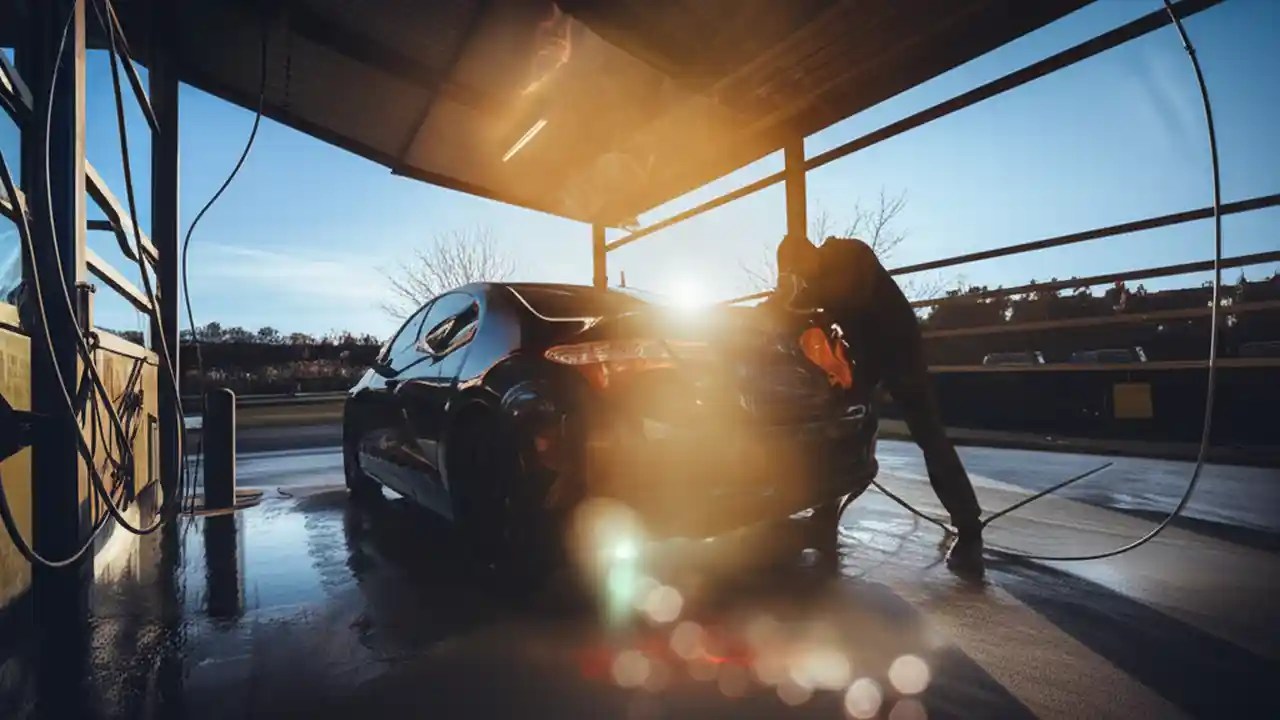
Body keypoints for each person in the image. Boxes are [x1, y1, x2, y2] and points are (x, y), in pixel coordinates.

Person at [772, 233, 985, 580]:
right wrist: (776, 305)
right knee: (836, 426)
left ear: (808, 255)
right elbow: (792, 312)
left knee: (928, 434)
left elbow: (846, 294)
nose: (801, 278)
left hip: (900, 349)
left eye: (798, 269)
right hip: (864, 358)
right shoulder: (815, 283)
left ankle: (969, 530)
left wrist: (798, 296)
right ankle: (826, 508)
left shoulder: (850, 253)